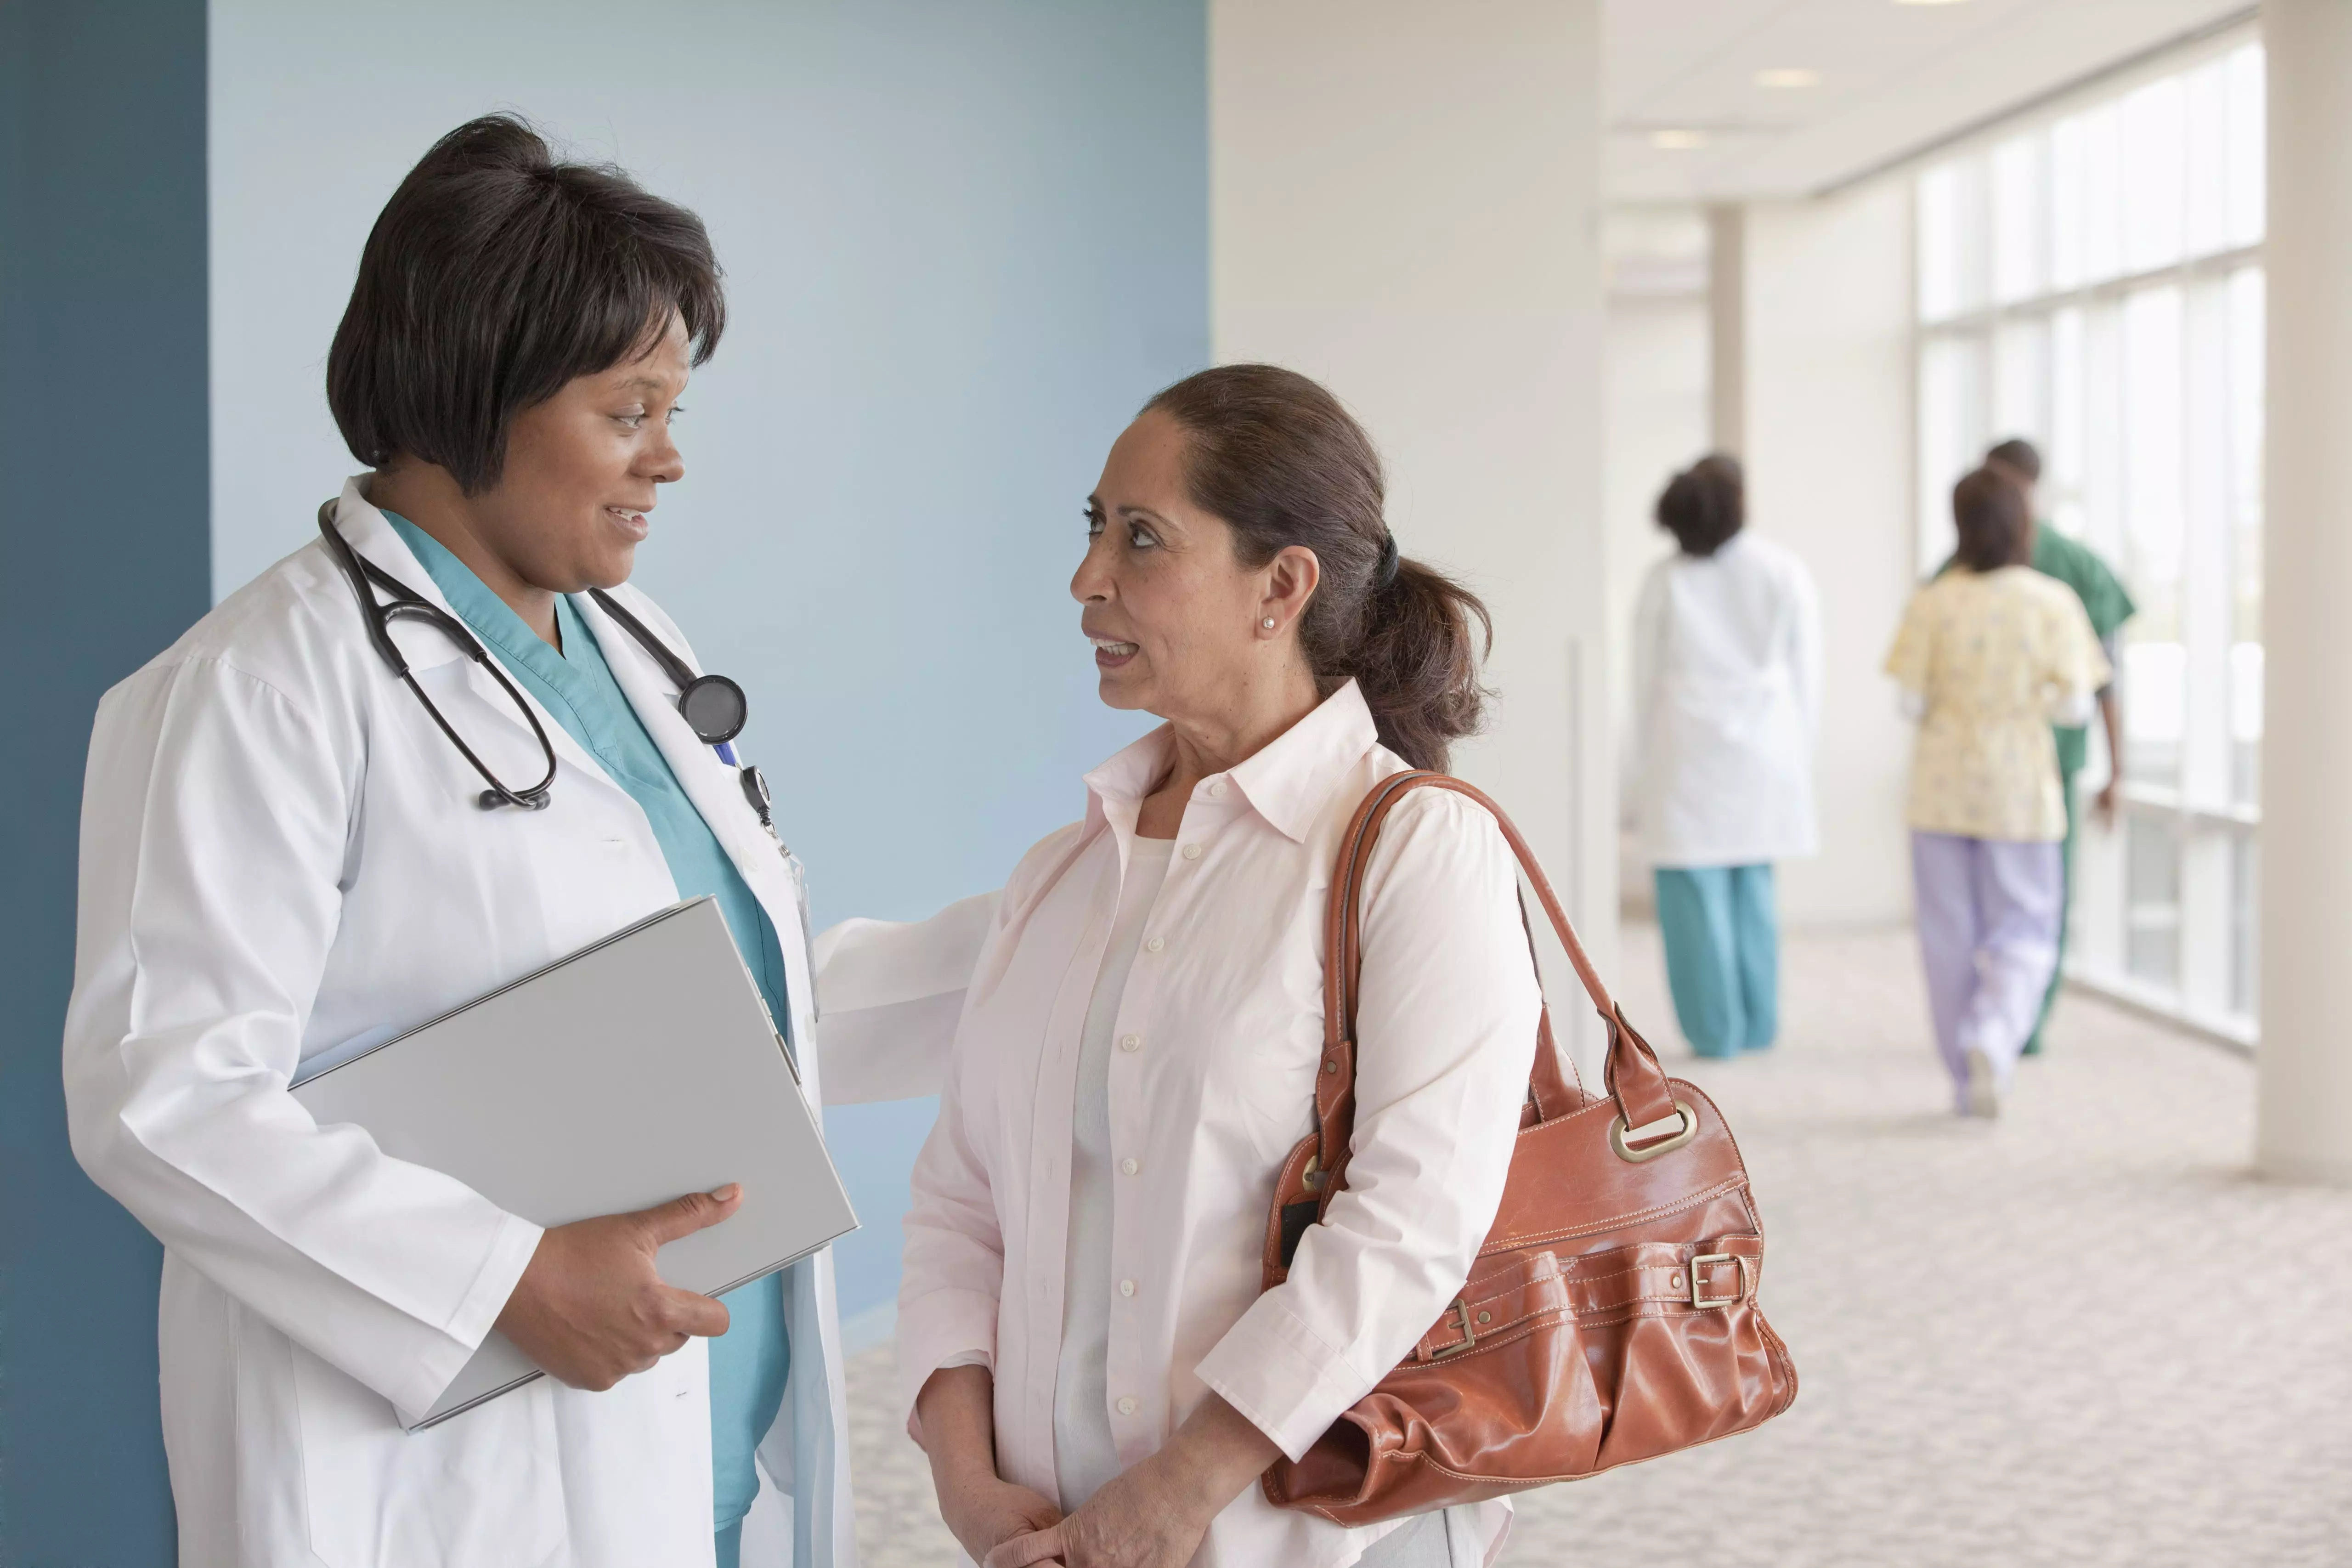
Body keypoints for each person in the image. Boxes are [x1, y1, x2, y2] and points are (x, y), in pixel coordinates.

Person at [63, 117, 868, 1567]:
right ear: (474, 391)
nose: (669, 461)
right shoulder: (256, 686)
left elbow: (740, 975)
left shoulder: (638, 645)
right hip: (435, 1484)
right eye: (630, 413)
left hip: (689, 1460)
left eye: (673, 411)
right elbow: (162, 1095)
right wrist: (509, 1276)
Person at [856, 364, 1543, 1568]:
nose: (1086, 578)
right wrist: (966, 1477)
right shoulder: (1058, 880)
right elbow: (962, 1203)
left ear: (1281, 584)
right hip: (1054, 1535)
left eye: (1142, 537)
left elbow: (1409, 1225)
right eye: (1093, 526)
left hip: (1304, 1537)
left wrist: (1179, 1494)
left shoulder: (1416, 848)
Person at [1885, 467, 2109, 1117]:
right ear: (2022, 522)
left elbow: (1908, 701)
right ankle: (1996, 1034)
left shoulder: (1932, 600)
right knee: (2027, 929)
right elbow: (2075, 708)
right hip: (2020, 790)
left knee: (1947, 936)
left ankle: (1964, 1077)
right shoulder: (2050, 602)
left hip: (1939, 788)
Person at [1630, 453, 1820, 1059]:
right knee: (1753, 891)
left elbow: (1643, 677)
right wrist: (1798, 747)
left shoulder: (1665, 579)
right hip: (1767, 750)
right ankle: (1760, 1023)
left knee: (1692, 899)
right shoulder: (1783, 571)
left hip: (1685, 751)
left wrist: (1645, 751)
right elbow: (1806, 675)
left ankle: (1715, 1034)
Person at [1964, 438, 2135, 1056]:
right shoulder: (2074, 568)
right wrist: (2116, 767)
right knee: (2035, 898)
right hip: (2037, 766)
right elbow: (2107, 676)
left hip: (1992, 767)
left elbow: (2108, 677)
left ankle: (2006, 1023)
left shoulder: (1965, 570)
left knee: (1994, 898)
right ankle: (2011, 1023)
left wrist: (2119, 769)